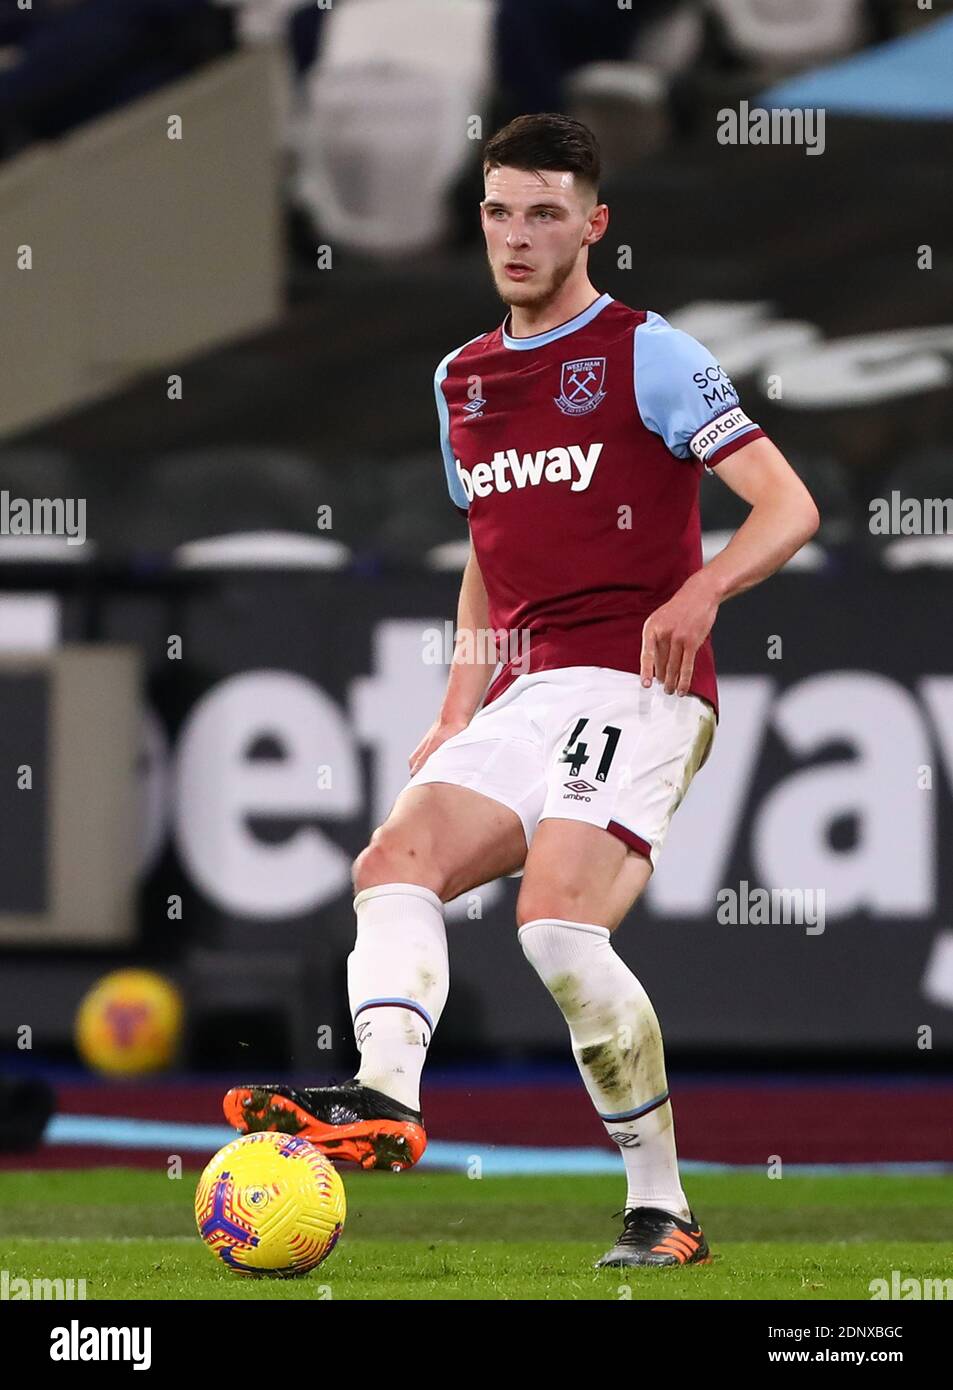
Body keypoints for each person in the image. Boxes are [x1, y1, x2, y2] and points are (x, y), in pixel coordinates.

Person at [223, 112, 819, 1269]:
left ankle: (662, 1207)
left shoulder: (649, 350)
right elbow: (488, 555)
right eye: (499, 209)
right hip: (529, 689)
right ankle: (383, 1096)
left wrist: (702, 592)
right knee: (390, 864)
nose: (516, 234)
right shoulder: (463, 379)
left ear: (592, 225)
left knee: (554, 925)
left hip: (645, 683)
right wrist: (457, 705)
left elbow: (785, 504)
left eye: (544, 212)